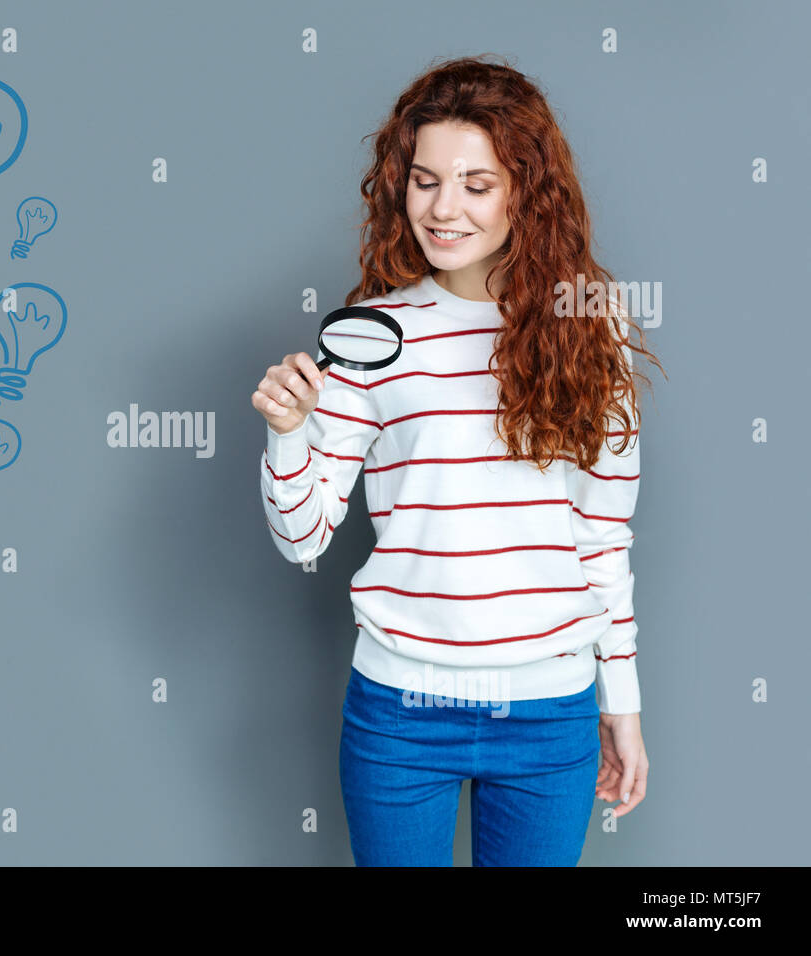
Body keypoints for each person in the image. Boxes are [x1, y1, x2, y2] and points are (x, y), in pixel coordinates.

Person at [252, 55, 665, 866]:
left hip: (550, 711)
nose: (444, 210)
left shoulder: (592, 325)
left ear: (527, 190)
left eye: (477, 185)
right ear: (398, 187)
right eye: (425, 180)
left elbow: (604, 536)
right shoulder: (371, 336)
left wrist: (623, 703)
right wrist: (288, 429)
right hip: (400, 714)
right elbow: (301, 540)